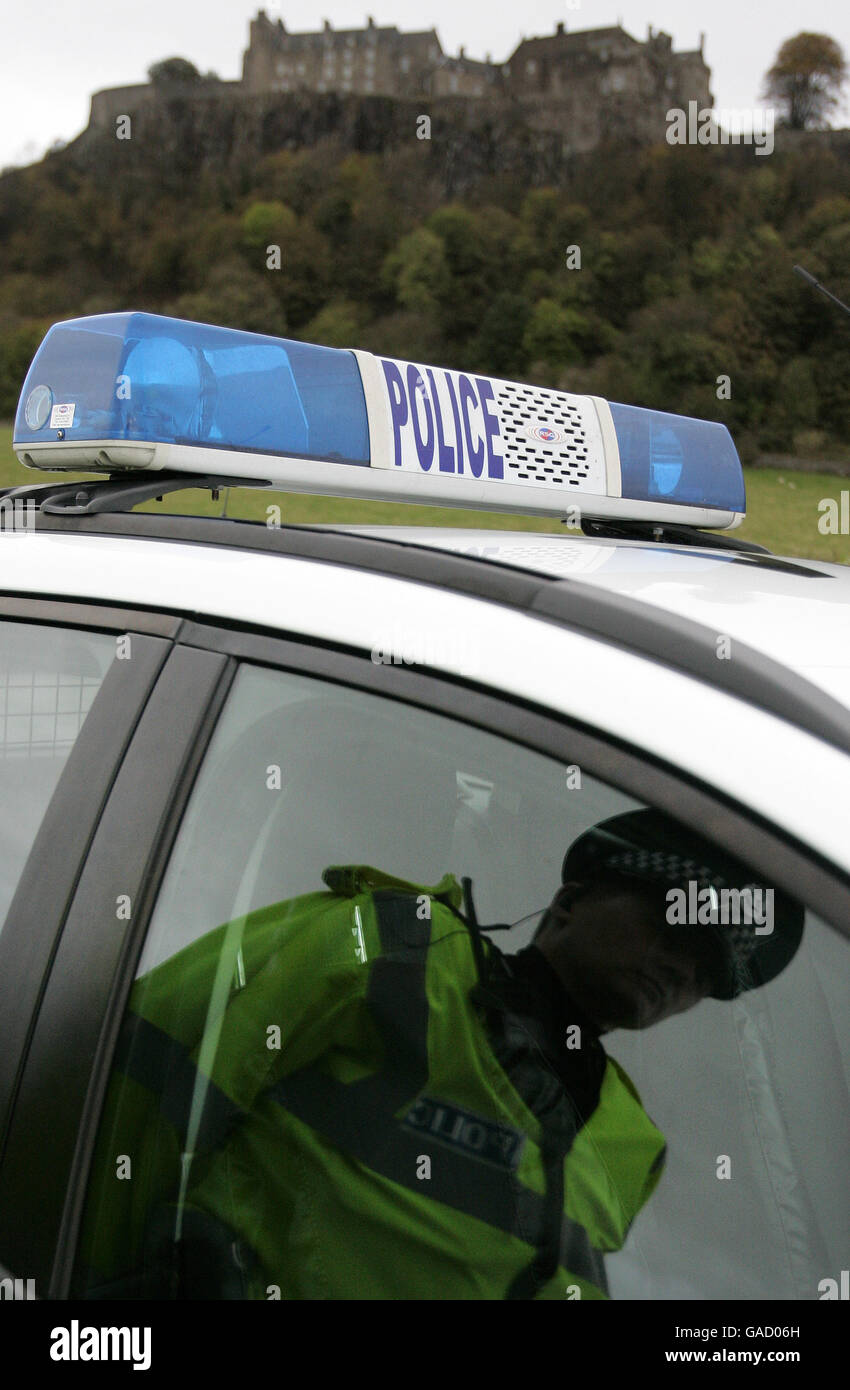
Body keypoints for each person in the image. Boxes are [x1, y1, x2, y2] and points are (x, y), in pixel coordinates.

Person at [77, 810, 804, 1301]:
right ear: (570, 902)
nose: (681, 969)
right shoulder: (386, 950)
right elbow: (132, 1090)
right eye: (669, 924)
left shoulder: (628, 1146)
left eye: (705, 971)